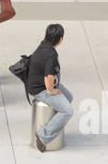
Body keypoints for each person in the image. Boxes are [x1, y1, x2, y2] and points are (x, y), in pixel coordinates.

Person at [28, 23, 74, 152]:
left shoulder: (44, 45)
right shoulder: (51, 55)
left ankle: (55, 124)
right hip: (41, 89)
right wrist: (52, 91)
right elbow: (48, 77)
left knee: (69, 97)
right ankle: (43, 135)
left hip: (41, 84)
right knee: (68, 111)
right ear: (60, 39)